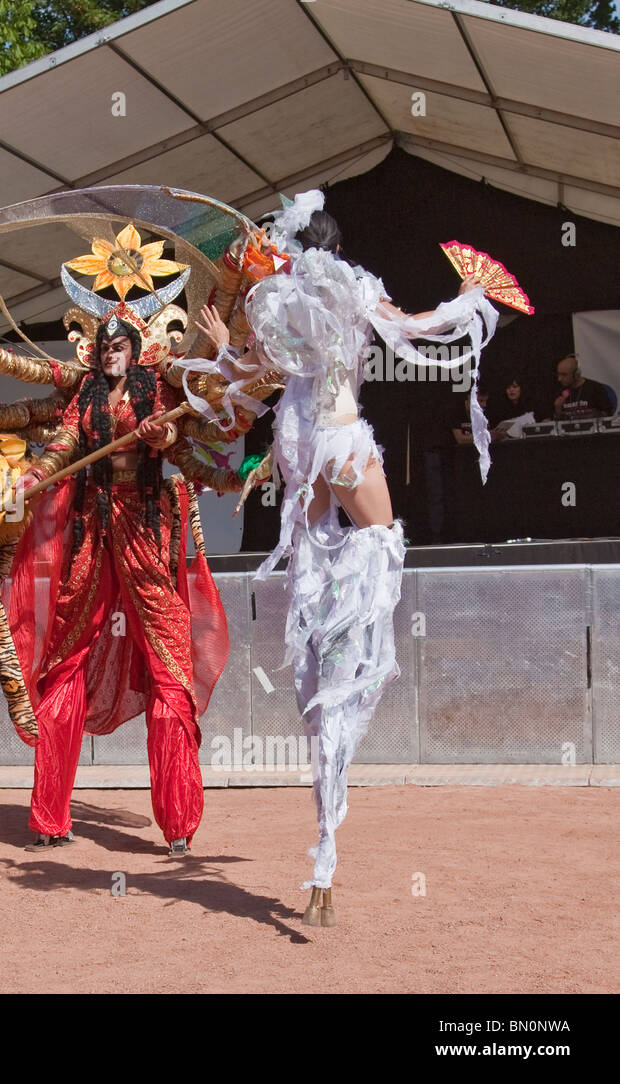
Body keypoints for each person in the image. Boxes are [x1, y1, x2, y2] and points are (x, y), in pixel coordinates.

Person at [191, 190, 496, 925]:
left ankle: (332, 682)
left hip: (299, 452)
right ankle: (355, 660)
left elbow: (256, 374)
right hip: (339, 438)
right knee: (382, 550)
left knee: (321, 588)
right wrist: (468, 301)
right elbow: (415, 329)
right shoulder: (352, 289)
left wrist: (221, 344)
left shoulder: (277, 297)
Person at [7, 306, 229, 856]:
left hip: (144, 529)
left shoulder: (155, 389)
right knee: (64, 661)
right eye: (103, 344)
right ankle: (48, 817)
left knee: (170, 666)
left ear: (135, 348)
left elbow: (184, 439)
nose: (110, 350)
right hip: (91, 531)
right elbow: (62, 445)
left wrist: (162, 434)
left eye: (118, 343)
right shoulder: (85, 398)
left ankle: (178, 823)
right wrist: (34, 476)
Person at [552, 354, 615, 419]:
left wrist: (593, 415)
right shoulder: (560, 392)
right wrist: (558, 409)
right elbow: (558, 421)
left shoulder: (595, 388)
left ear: (576, 374)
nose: (559, 379)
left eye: (564, 375)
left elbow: (608, 413)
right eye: (558, 374)